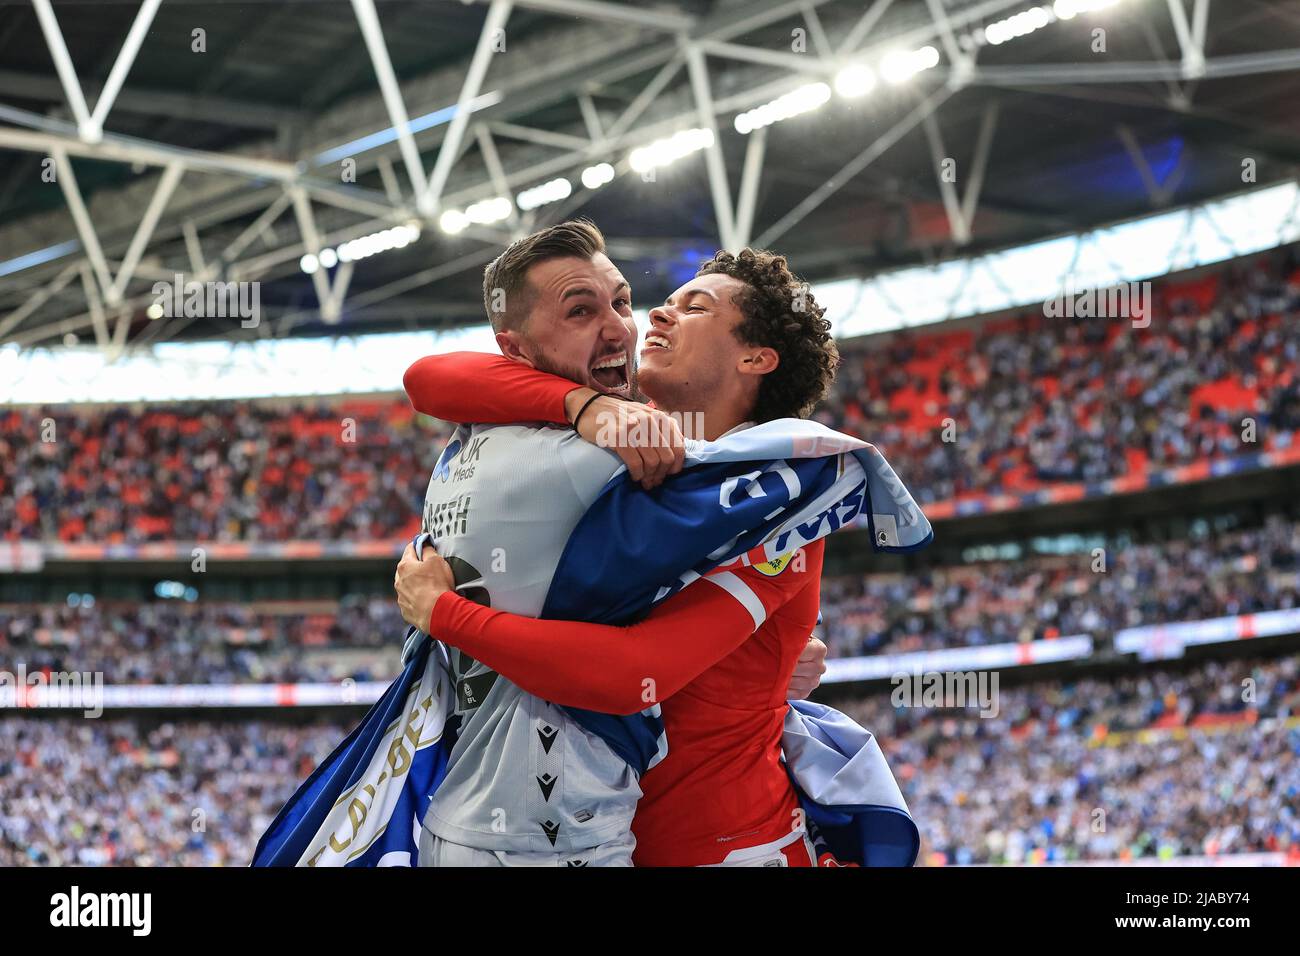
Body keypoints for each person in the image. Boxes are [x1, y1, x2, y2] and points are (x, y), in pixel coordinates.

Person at [396, 219, 848, 865]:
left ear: (754, 359)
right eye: (661, 299)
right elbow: (430, 377)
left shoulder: (777, 498)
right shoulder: (638, 440)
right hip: (615, 839)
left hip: (732, 849)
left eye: (695, 307)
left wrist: (445, 613)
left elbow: (637, 673)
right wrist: (581, 403)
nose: (659, 309)